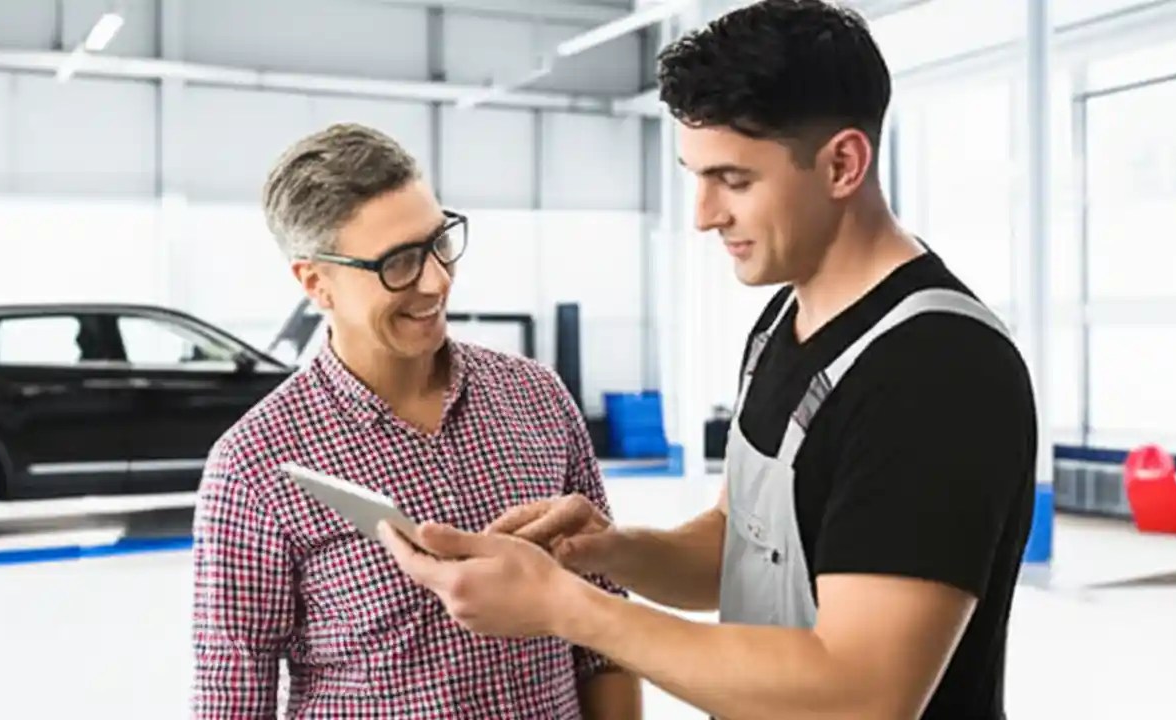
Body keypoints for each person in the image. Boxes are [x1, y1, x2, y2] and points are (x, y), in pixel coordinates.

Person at [378, 1, 1038, 718]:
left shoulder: (936, 371)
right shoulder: (786, 316)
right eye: (695, 175)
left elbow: (863, 694)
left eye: (734, 179)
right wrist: (605, 551)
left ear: (843, 163)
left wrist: (565, 608)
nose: (703, 214)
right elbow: (744, 548)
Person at [190, 123, 641, 718]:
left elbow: (604, 634)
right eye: (398, 263)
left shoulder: (536, 398)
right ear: (315, 282)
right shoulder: (256, 465)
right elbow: (232, 699)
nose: (437, 280)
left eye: (438, 242)